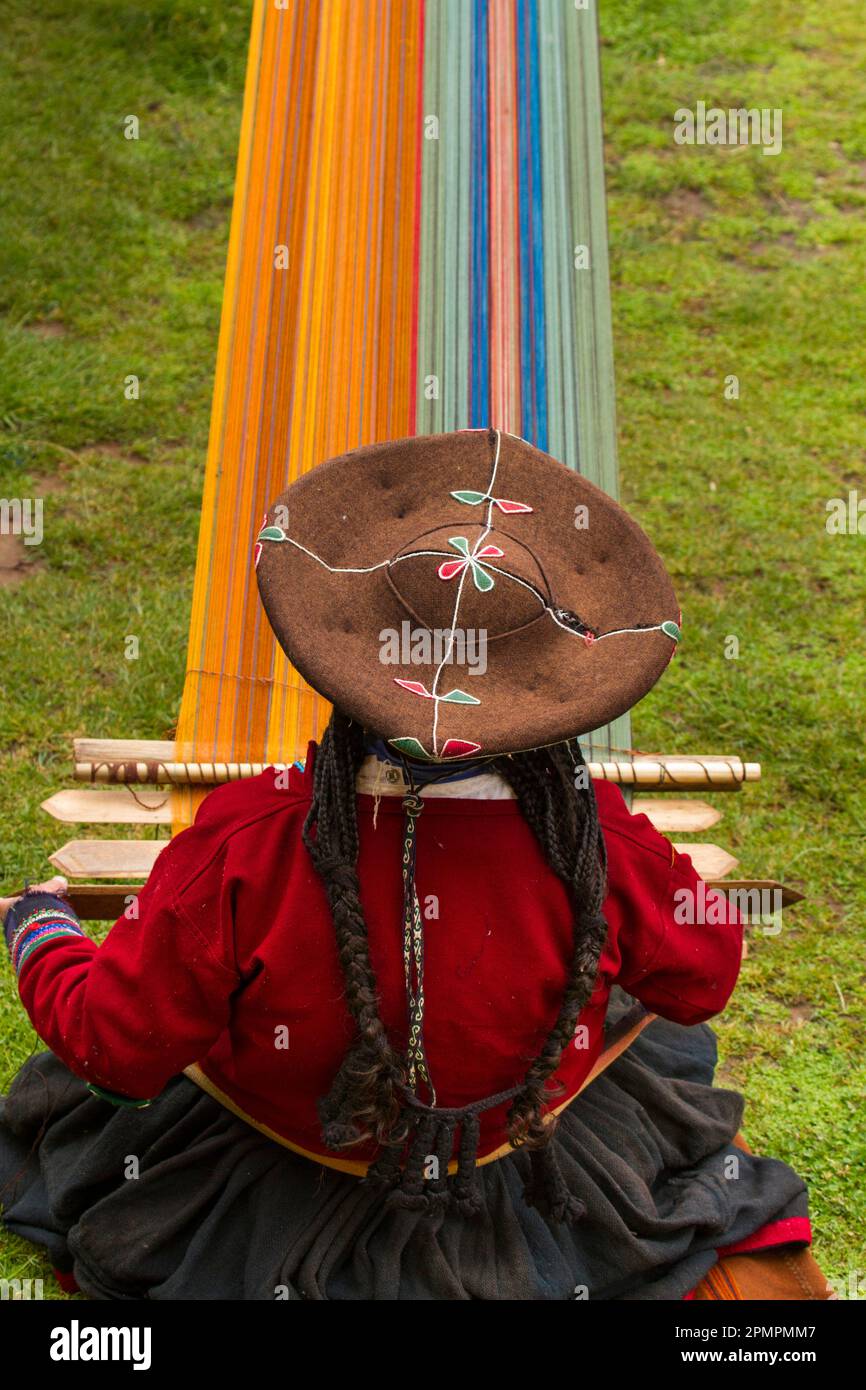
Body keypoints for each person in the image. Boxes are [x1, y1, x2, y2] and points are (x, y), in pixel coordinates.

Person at [0, 429, 826, 1300]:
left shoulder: (248, 839)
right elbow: (699, 982)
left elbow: (118, 1049)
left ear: (348, 665)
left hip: (287, 1161)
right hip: (521, 1157)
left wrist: (41, 930)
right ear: (546, 689)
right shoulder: (600, 842)